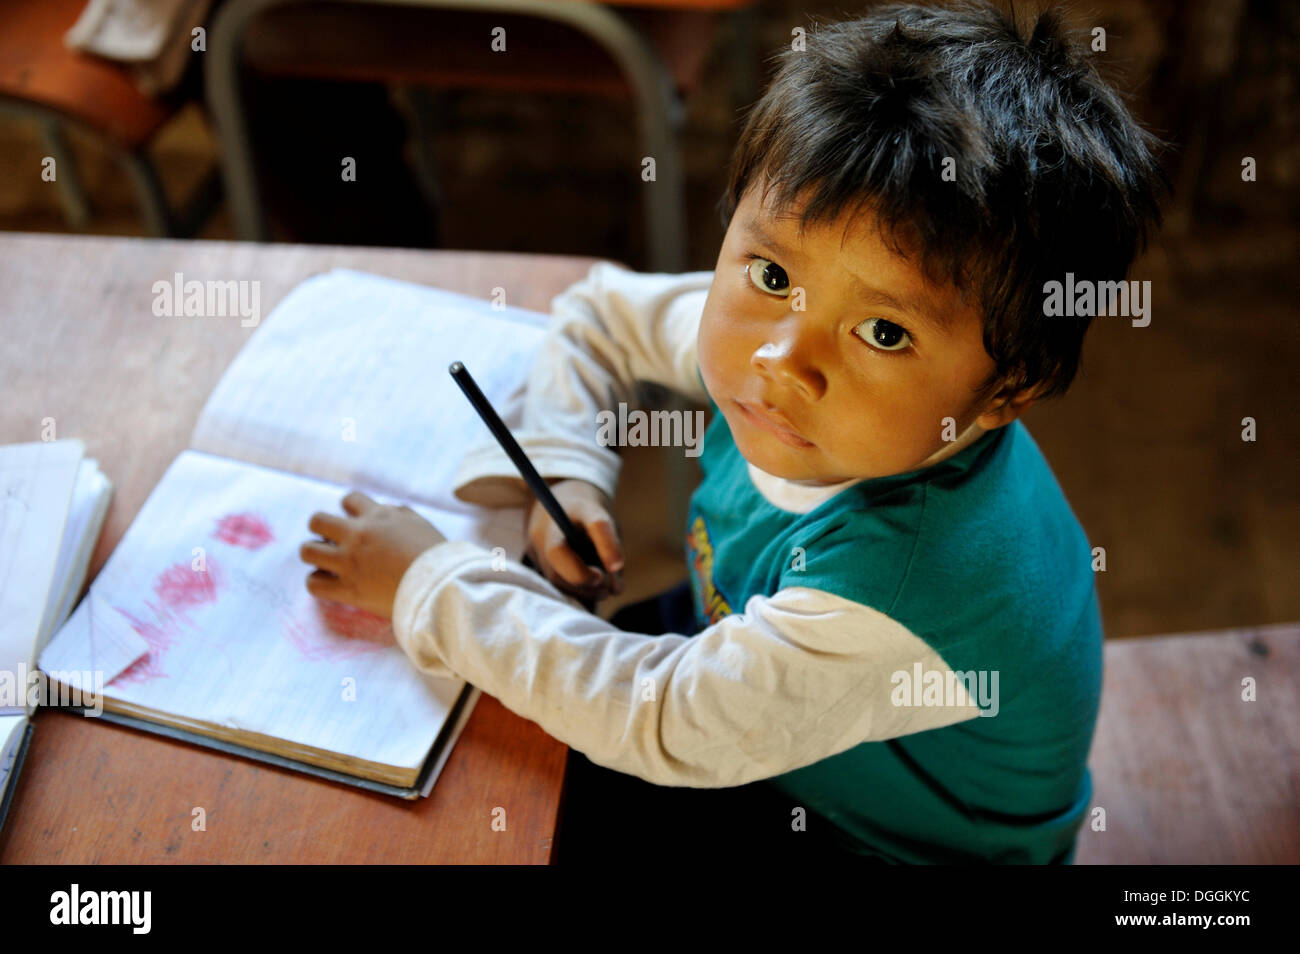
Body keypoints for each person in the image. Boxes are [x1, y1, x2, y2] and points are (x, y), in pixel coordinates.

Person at [299, 1, 1166, 864]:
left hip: (883, 839)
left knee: (494, 795)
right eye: (774, 270)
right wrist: (566, 473)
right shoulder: (794, 350)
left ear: (1004, 390)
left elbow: (662, 718)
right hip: (758, 654)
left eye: (886, 333)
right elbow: (601, 314)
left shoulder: (905, 583)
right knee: (497, 735)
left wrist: (430, 584)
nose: (784, 359)